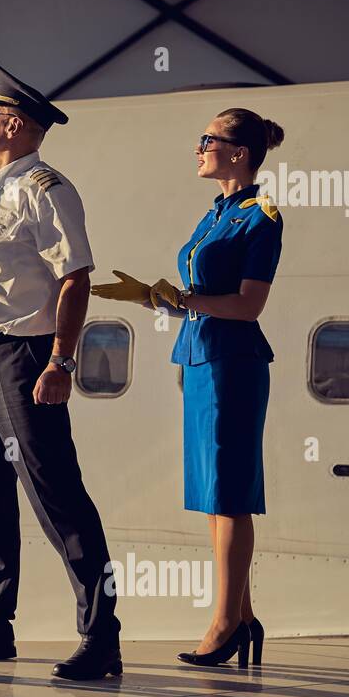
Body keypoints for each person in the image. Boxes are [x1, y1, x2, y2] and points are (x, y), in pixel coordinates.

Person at [0, 63, 122, 681]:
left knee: (56, 494)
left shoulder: (45, 188)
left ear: (12, 124)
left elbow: (75, 277)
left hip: (24, 359)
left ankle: (101, 634)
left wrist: (63, 358)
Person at [91, 107, 285, 668]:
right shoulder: (217, 213)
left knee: (230, 496)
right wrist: (155, 298)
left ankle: (224, 622)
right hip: (200, 358)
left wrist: (183, 300)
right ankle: (242, 616)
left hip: (233, 362)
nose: (198, 148)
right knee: (213, 495)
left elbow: (249, 306)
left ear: (240, 153)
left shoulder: (261, 216)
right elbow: (202, 295)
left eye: (208, 139)